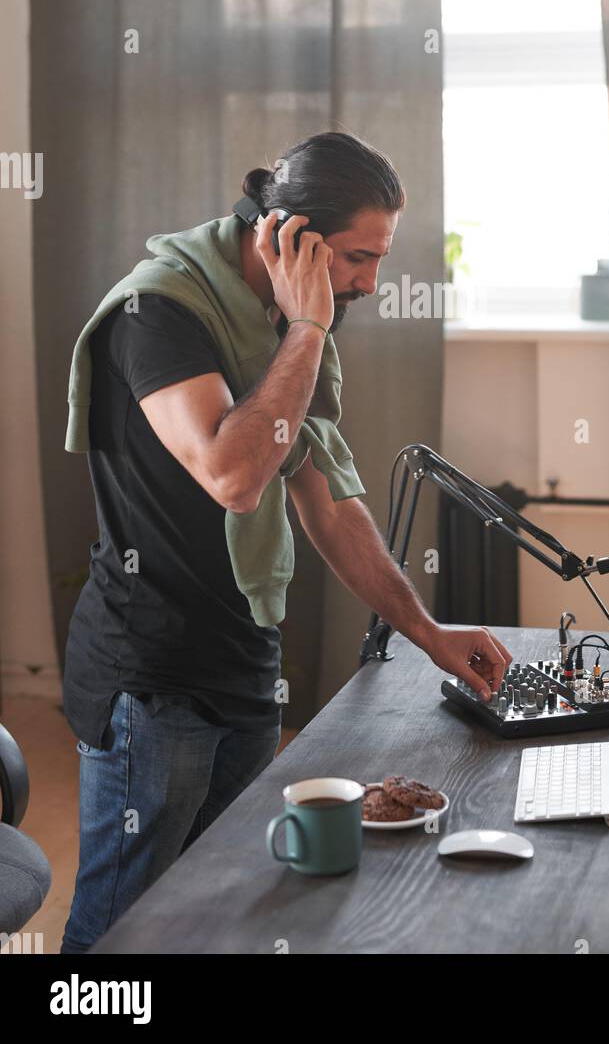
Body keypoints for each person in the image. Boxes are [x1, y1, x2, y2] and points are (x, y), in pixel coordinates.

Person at [60, 130, 511, 953]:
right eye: (354, 259)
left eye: (378, 260)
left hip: (244, 662)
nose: (369, 283)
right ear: (288, 236)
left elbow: (328, 504)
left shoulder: (273, 317)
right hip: (154, 678)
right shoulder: (159, 312)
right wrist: (308, 327)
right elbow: (235, 475)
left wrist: (428, 633)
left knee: (216, 910)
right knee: (123, 930)